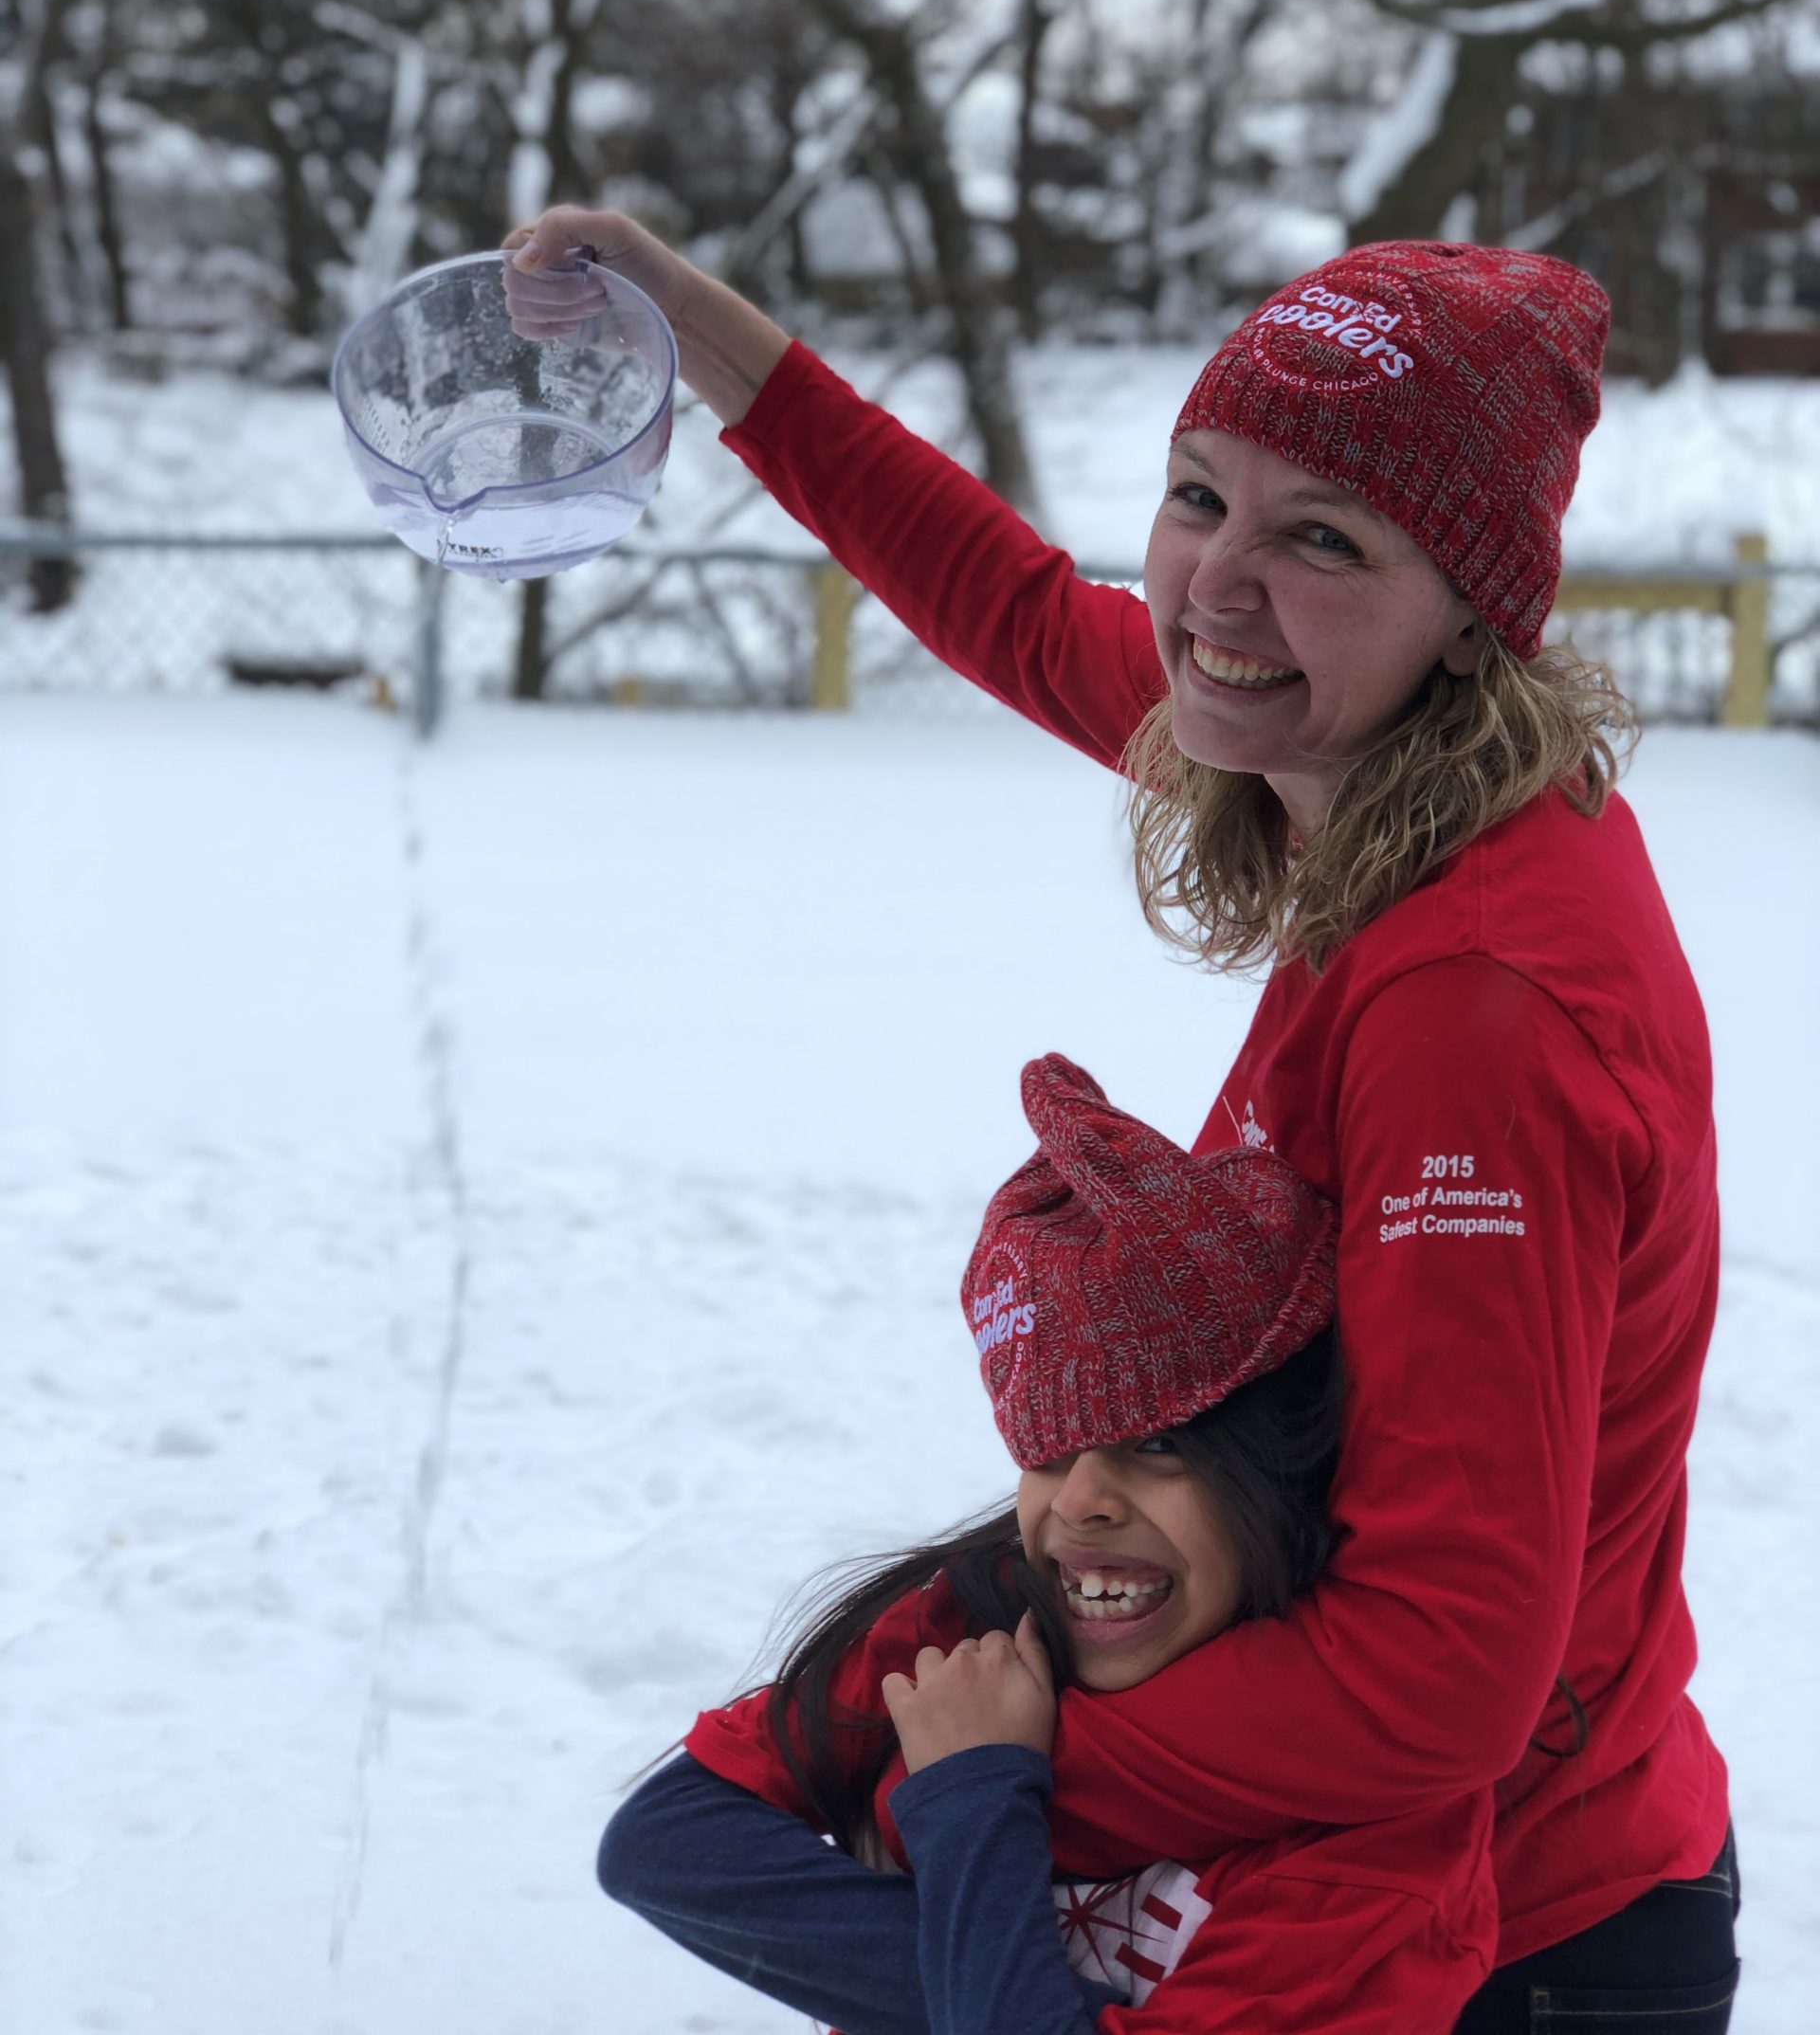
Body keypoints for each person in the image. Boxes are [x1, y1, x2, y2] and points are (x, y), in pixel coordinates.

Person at [504, 217, 1741, 2032]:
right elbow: (1020, 610)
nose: (1215, 589)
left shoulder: (1478, 1008)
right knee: (703, 1844)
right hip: (1320, 1874)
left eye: (1323, 535)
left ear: (1475, 606)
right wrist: (702, 337)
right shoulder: (1368, 764)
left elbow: (1448, 1671)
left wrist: (980, 1791)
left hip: (1504, 1940)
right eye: (1197, 498)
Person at [602, 1051, 1498, 2033]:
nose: (1079, 1502)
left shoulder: (1376, 1845)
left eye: (1158, 1445)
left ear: (1278, 1469)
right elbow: (668, 1840)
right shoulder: (981, 1624)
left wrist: (972, 1801)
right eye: (1049, 1449)